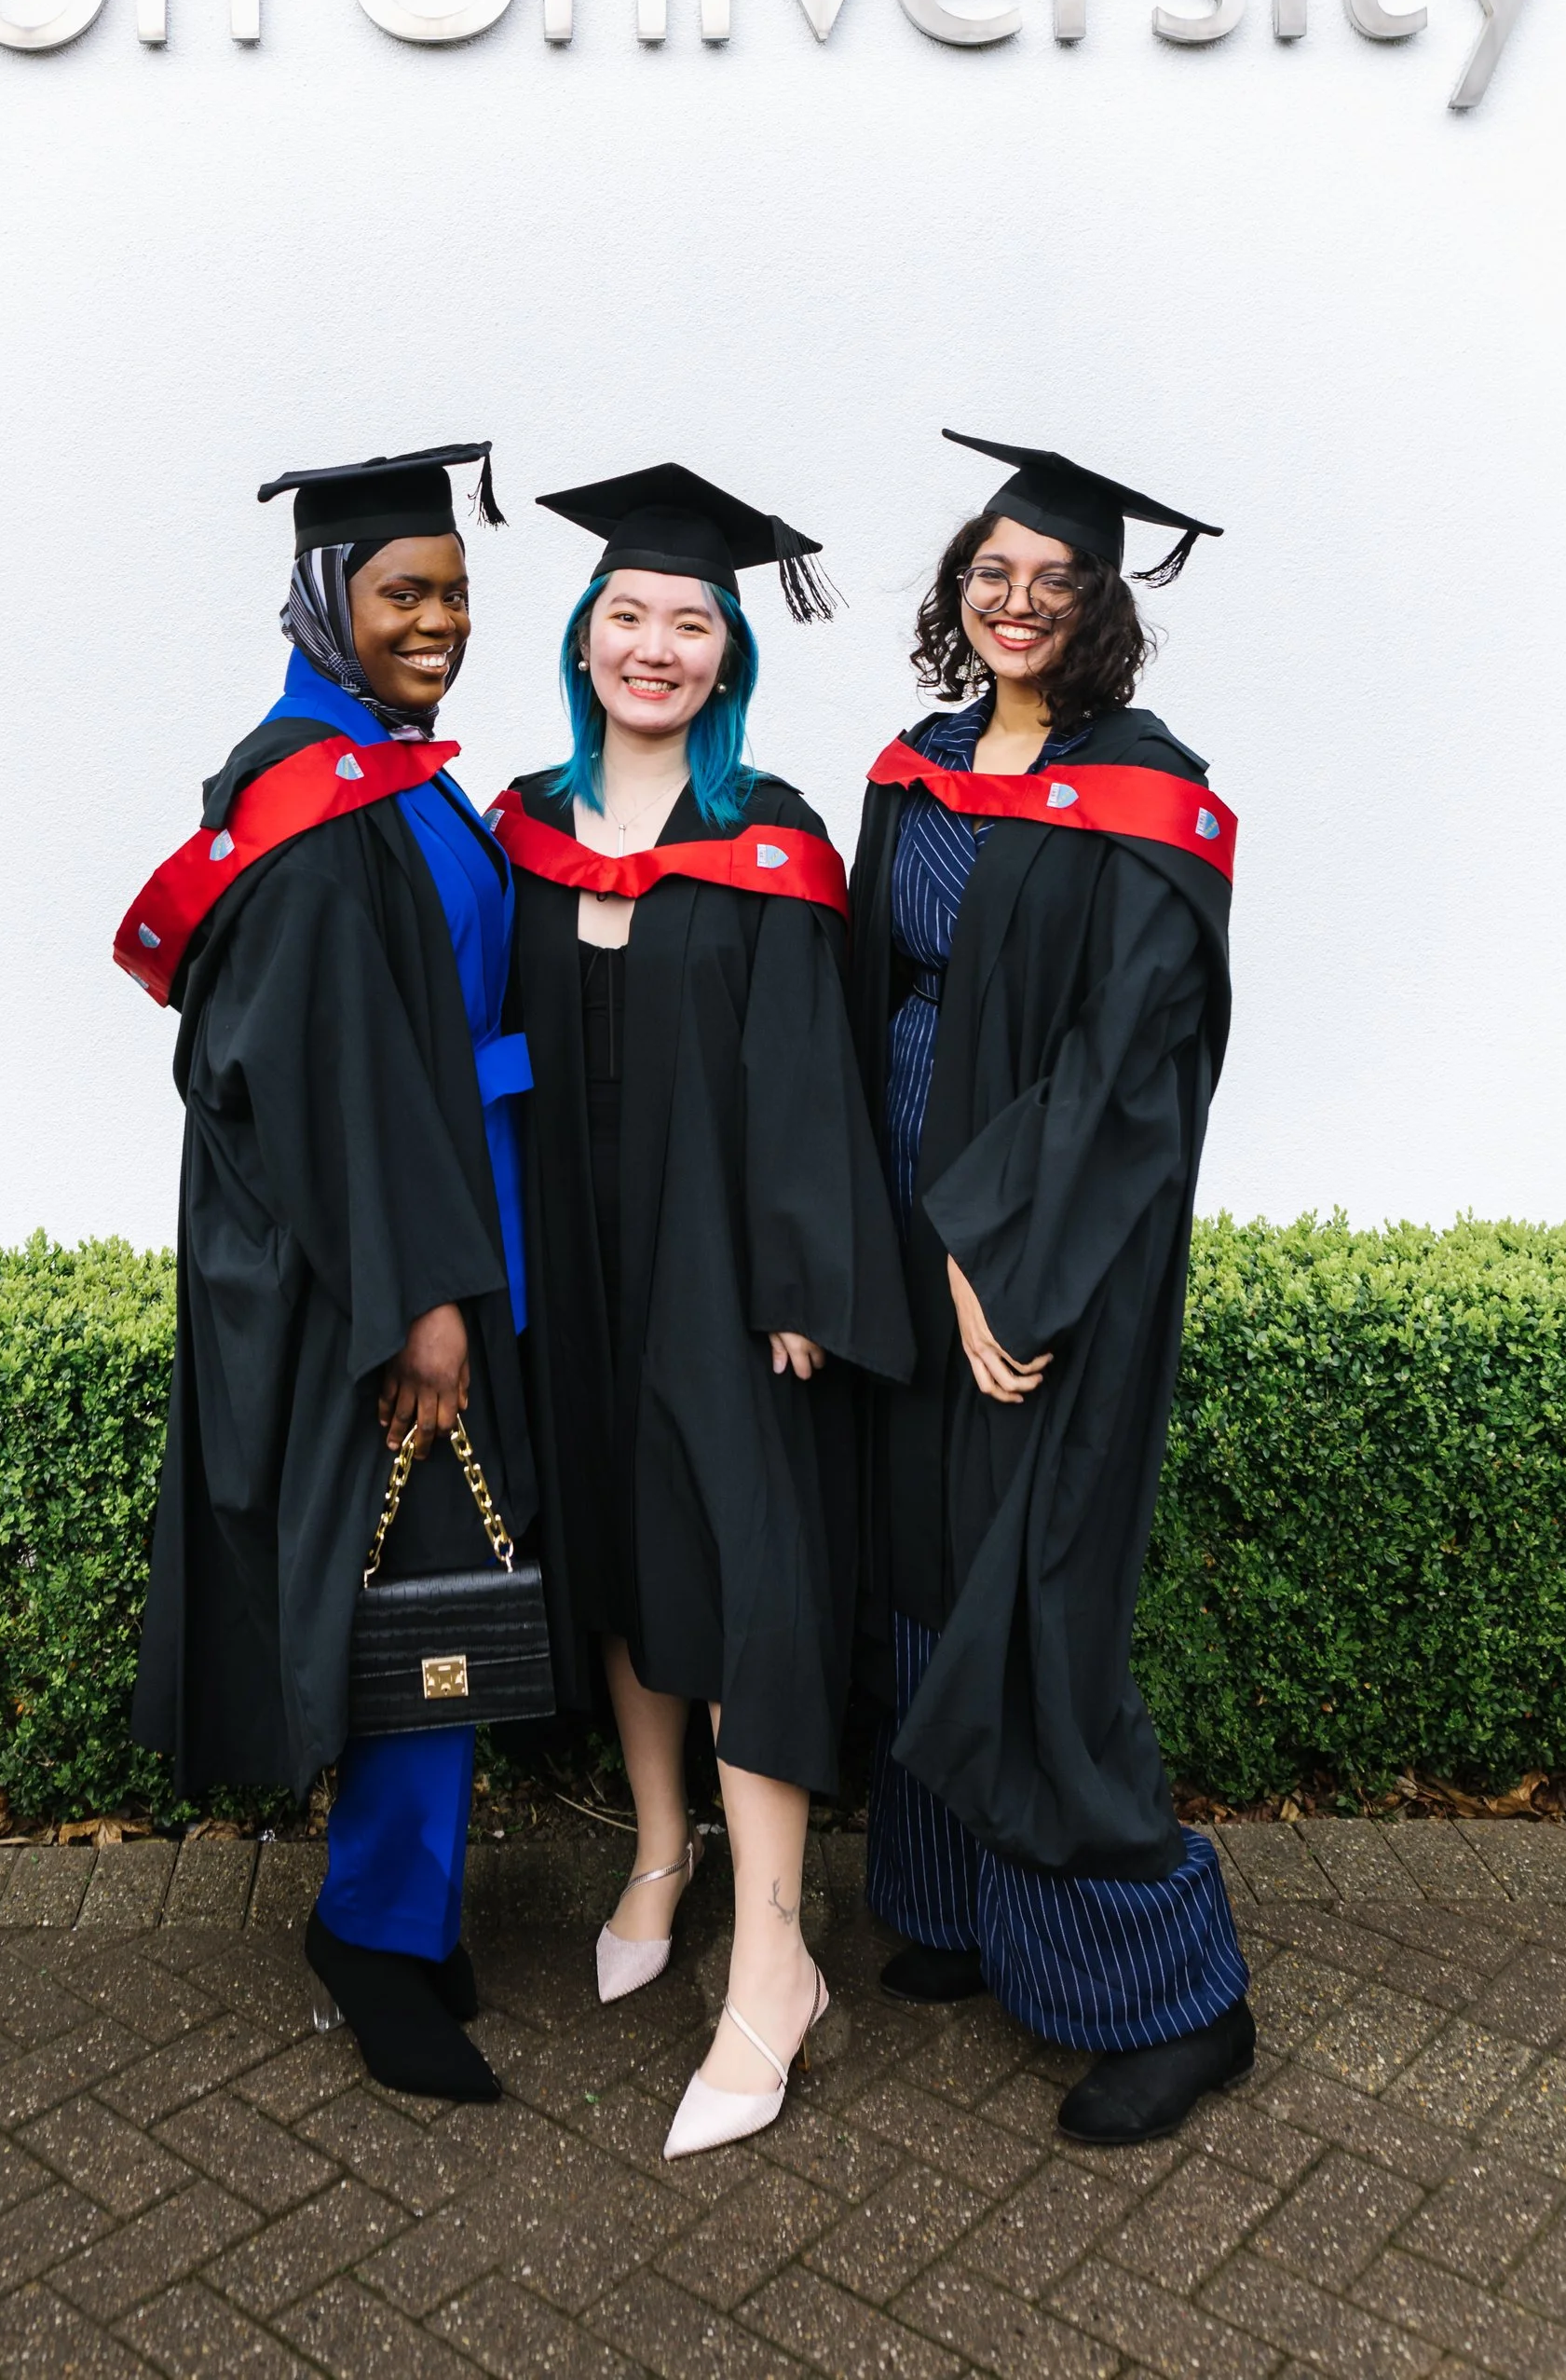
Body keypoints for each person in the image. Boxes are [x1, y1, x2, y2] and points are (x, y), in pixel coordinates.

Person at [486, 464, 913, 2160]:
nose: (652, 646)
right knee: (611, 1546)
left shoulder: (772, 836)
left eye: (688, 623)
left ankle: (775, 1959)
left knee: (743, 1589)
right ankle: (657, 1849)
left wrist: (802, 1278)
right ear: (583, 644)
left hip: (722, 1286)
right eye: (625, 619)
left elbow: (814, 1071)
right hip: (568, 1275)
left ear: (728, 655)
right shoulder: (517, 819)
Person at [121, 441, 538, 2106]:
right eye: (402, 594)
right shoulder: (307, 794)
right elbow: (312, 1081)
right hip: (386, 1264)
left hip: (457, 1223)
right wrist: (417, 1297)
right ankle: (371, 1932)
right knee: (417, 1584)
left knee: (422, 1586)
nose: (436, 620)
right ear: (324, 602)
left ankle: (405, 1903)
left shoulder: (402, 772)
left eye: (452, 593)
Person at [850, 431, 1253, 2147]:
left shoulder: (1149, 790)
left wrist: (993, 1255)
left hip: (1041, 1249)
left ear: (1100, 606)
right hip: (899, 1218)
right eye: (991, 572)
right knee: (918, 1557)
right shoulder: (916, 768)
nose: (1015, 601)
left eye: (1052, 578)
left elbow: (1135, 1059)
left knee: (1032, 1591)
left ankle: (1175, 1998)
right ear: (960, 589)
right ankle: (960, 1907)